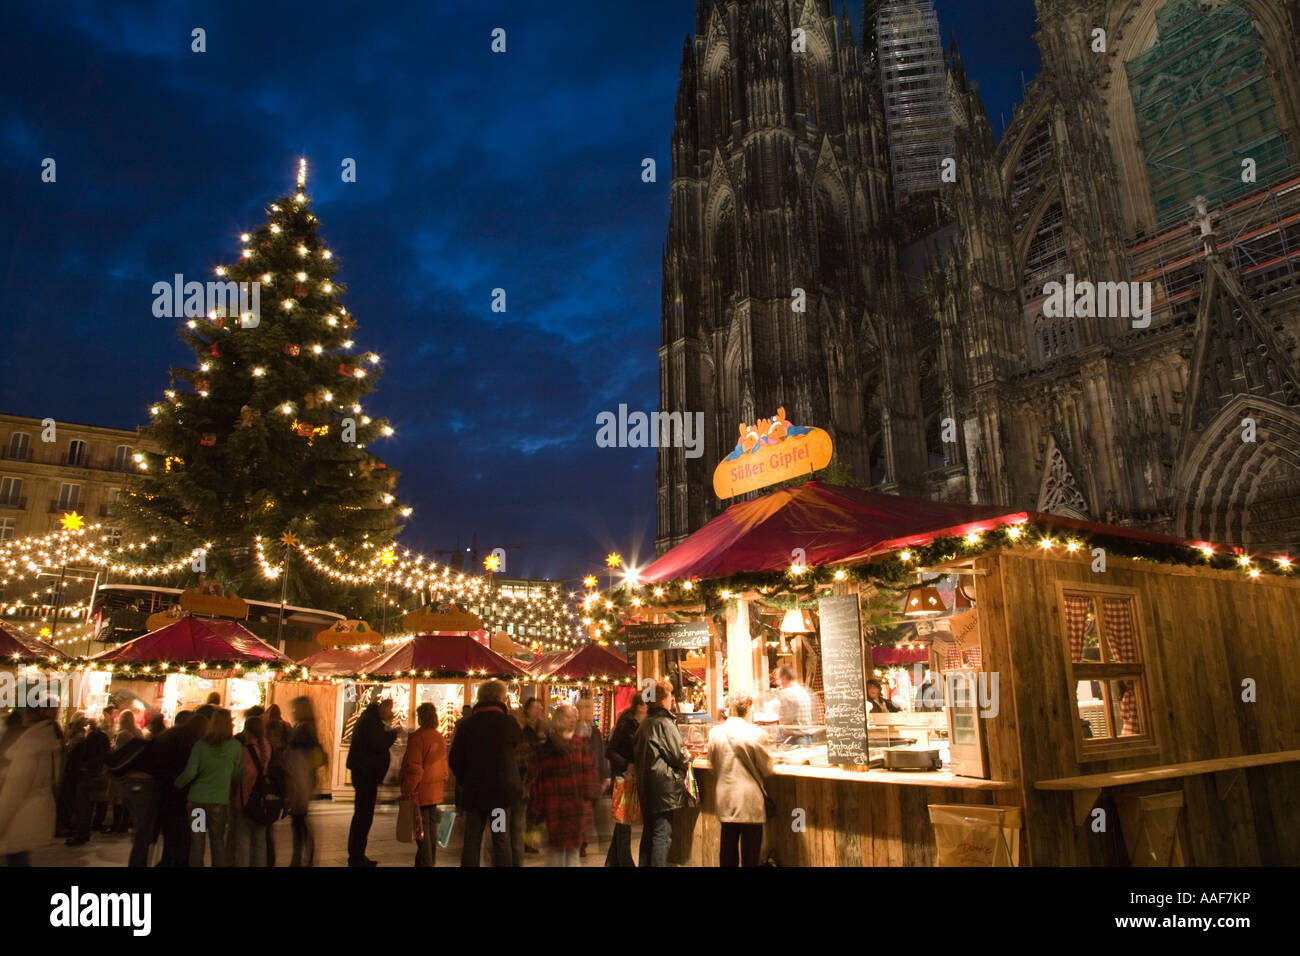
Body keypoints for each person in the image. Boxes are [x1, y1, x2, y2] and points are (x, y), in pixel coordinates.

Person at [448, 680, 522, 867]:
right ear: (501, 698)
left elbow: (455, 760)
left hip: (475, 795)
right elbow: (520, 752)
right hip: (500, 796)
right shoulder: (508, 723)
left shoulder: (467, 725)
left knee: (472, 839)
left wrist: (465, 780)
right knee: (500, 839)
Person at [708, 693, 774, 867]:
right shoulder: (757, 733)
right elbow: (767, 769)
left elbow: (713, 766)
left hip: (725, 798)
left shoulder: (715, 733)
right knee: (750, 855)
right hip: (749, 800)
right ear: (749, 708)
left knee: (727, 851)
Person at [529, 704, 597, 867]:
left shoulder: (580, 744)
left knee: (571, 852)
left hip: (575, 806)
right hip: (556, 806)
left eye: (574, 716)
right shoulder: (547, 748)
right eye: (568, 717)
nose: (573, 720)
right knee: (558, 853)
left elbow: (588, 773)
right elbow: (541, 779)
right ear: (559, 720)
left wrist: (589, 797)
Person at [175, 708, 242, 867]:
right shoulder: (236, 747)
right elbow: (237, 775)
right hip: (219, 801)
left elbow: (190, 773)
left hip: (197, 801)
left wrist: (176, 784)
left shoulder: (200, 746)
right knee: (217, 841)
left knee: (197, 841)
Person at [633, 678, 690, 867]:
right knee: (661, 835)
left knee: (650, 832)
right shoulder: (664, 723)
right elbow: (678, 755)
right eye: (669, 695)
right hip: (663, 788)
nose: (671, 699)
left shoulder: (645, 723)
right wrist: (688, 756)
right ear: (662, 700)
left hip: (647, 786)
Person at [0, 700, 61, 866]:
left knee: (16, 857)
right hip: (29, 813)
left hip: (20, 814)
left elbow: (16, 788)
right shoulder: (45, 740)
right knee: (18, 857)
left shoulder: (31, 745)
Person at [151, 708, 208, 866]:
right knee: (194, 837)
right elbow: (191, 772)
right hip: (195, 800)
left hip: (169, 795)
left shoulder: (170, 736)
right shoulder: (194, 744)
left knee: (173, 837)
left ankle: (170, 861)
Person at [346, 698, 397, 867]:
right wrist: (394, 731)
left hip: (366, 773)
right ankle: (356, 856)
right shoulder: (370, 721)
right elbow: (379, 743)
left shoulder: (370, 719)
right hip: (365, 774)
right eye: (390, 710)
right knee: (363, 816)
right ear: (382, 708)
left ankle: (358, 854)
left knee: (363, 815)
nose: (391, 714)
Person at [400, 702, 449, 867]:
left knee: (421, 832)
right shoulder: (438, 736)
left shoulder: (418, 738)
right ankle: (428, 861)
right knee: (430, 829)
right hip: (435, 789)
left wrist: (407, 789)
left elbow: (414, 767)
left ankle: (426, 863)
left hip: (420, 790)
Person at [105, 720, 155, 867]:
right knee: (142, 830)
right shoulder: (146, 745)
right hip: (207, 801)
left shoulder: (135, 744)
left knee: (141, 829)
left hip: (131, 786)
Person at [604, 697, 646, 866]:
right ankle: (626, 862)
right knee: (623, 822)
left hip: (630, 777)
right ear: (640, 706)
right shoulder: (626, 725)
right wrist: (626, 765)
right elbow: (610, 751)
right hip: (622, 777)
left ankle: (611, 862)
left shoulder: (639, 724)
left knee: (623, 821)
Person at [285, 696, 325, 867]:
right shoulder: (307, 728)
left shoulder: (303, 730)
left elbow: (300, 760)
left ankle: (301, 858)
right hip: (304, 779)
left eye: (296, 708)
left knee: (299, 820)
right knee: (300, 821)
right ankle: (304, 857)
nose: (293, 712)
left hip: (301, 780)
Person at [65, 712, 111, 846]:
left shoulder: (88, 740)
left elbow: (82, 756)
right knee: (87, 805)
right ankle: (84, 833)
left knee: (82, 805)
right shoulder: (102, 737)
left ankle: (81, 833)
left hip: (86, 774)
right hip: (95, 774)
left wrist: (83, 767)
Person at [233, 715, 272, 866]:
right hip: (263, 799)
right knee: (260, 840)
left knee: (243, 840)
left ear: (247, 731)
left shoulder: (244, 750)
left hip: (245, 798)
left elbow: (240, 774)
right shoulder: (268, 747)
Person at [574, 696, 610, 857]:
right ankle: (581, 843)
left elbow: (601, 754)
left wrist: (606, 775)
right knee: (582, 813)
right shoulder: (575, 730)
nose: (590, 711)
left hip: (594, 776)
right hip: (580, 778)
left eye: (591, 708)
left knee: (594, 813)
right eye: (586, 708)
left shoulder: (594, 730)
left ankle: (597, 844)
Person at [514, 696, 545, 861]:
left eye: (540, 708)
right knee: (526, 811)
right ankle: (522, 841)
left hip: (537, 774)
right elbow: (522, 752)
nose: (539, 711)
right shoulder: (523, 729)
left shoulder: (540, 727)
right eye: (536, 708)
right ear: (528, 709)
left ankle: (530, 841)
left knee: (536, 811)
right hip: (525, 776)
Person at [262, 703, 290, 866]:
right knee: (266, 832)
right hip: (275, 797)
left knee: (262, 833)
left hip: (199, 802)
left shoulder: (267, 751)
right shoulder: (283, 752)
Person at [776, 665, 815, 746]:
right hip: (808, 736)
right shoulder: (804, 691)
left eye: (779, 678)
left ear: (784, 677)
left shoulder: (785, 694)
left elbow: (785, 719)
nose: (779, 681)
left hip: (794, 739)